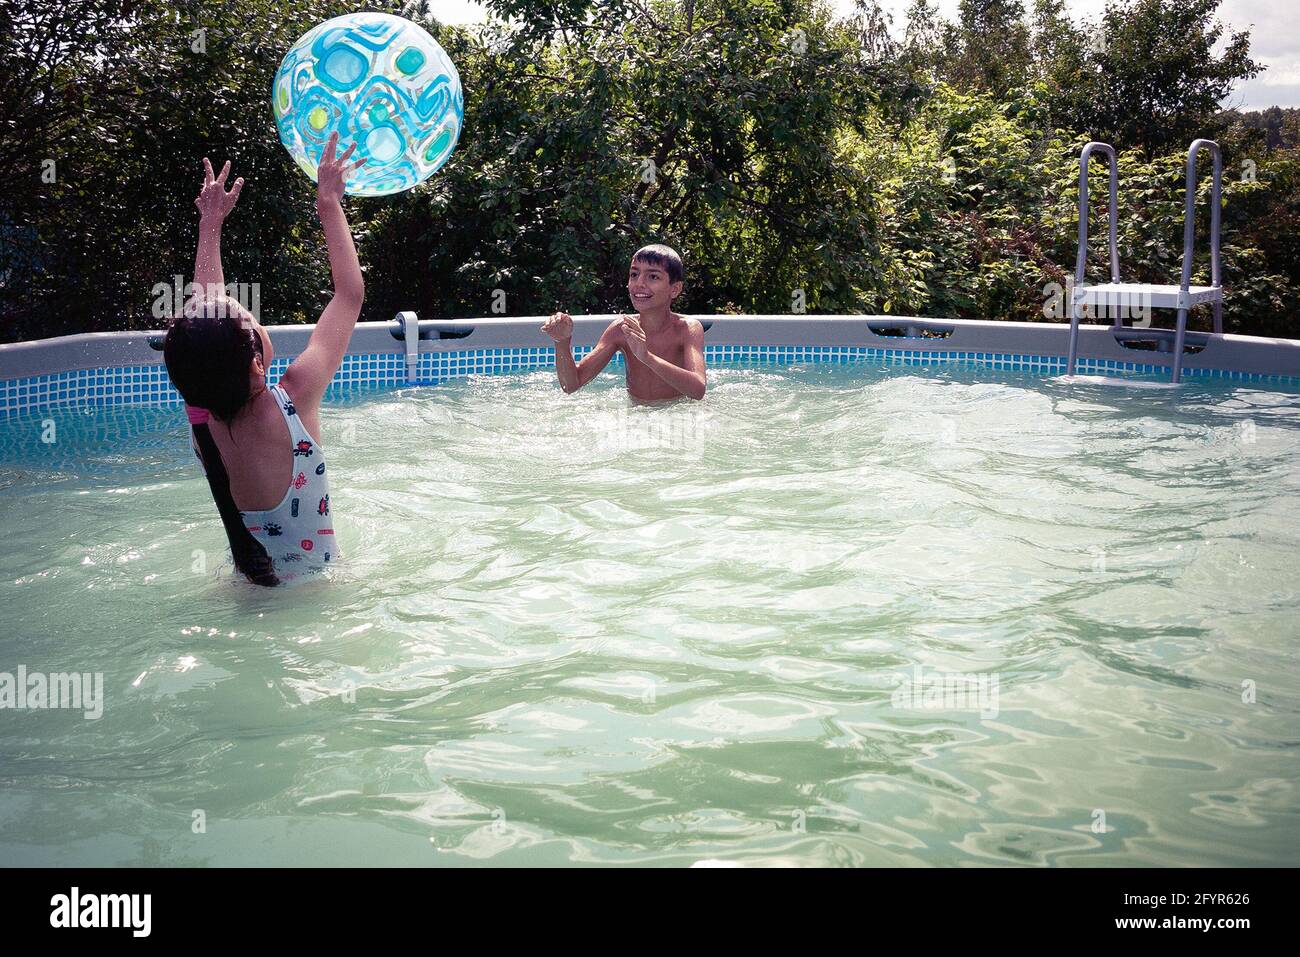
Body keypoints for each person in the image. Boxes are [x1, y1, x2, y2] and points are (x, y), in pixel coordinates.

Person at [162, 133, 366, 584]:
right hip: (317, 597)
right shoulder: (295, 397)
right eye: (250, 318)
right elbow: (350, 295)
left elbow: (206, 318)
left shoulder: (202, 422)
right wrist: (329, 204)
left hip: (244, 591)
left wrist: (210, 224)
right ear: (257, 361)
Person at [541, 244, 706, 401]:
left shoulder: (686, 328)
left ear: (675, 289)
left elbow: (698, 390)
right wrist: (561, 342)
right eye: (634, 274)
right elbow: (571, 385)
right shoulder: (621, 329)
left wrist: (647, 357)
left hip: (676, 414)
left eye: (653, 276)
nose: (639, 283)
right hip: (635, 417)